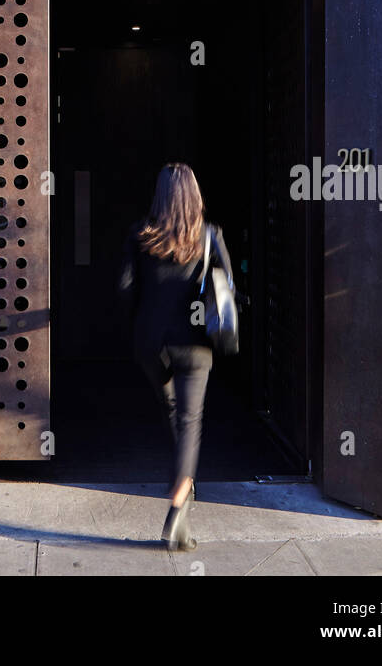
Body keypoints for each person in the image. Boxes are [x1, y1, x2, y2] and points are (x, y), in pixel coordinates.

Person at [117, 161, 234, 551]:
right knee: (190, 421)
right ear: (194, 196)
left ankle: (184, 489)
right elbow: (228, 286)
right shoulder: (209, 235)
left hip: (151, 344)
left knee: (172, 411)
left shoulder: (140, 235)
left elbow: (124, 288)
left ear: (160, 195)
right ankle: (179, 501)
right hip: (195, 345)